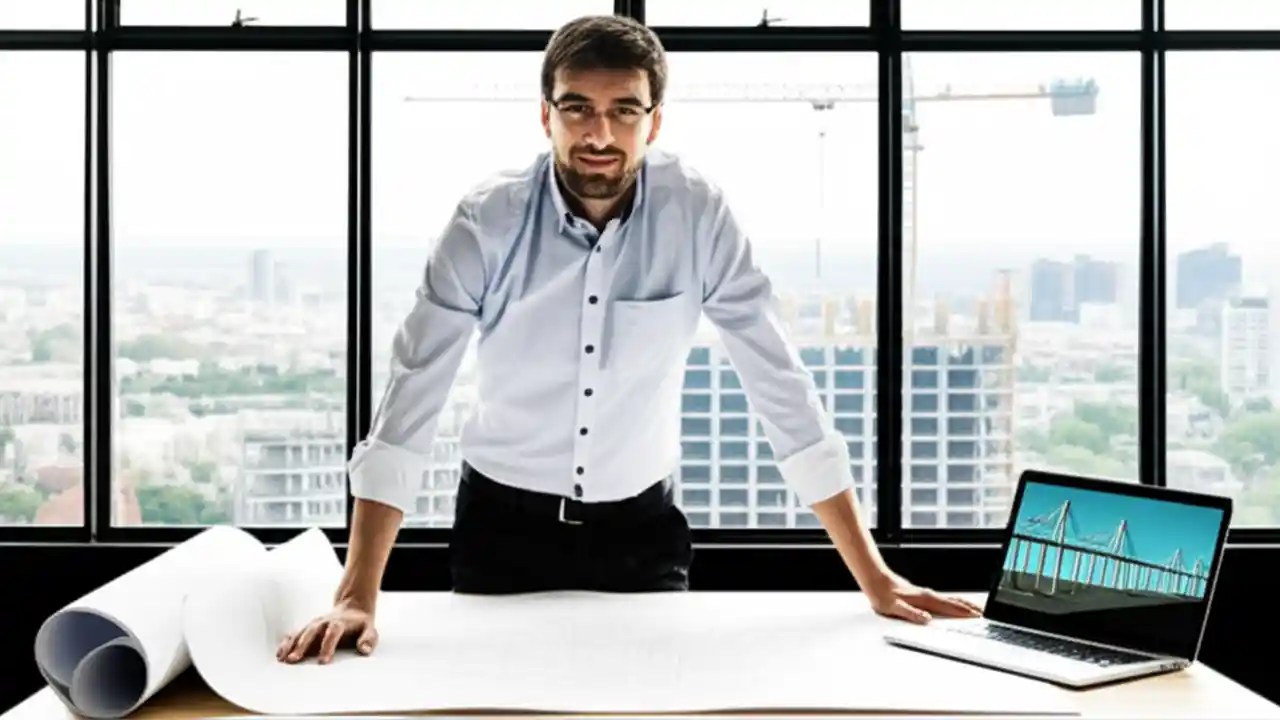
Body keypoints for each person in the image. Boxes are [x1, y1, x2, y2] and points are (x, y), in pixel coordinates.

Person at [277, 13, 981, 665]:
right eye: (577, 108)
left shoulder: (697, 213)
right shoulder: (487, 220)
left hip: (641, 534)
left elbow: (781, 388)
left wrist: (875, 577)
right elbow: (410, 400)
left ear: (655, 121)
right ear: (546, 114)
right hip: (501, 530)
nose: (599, 135)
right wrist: (356, 593)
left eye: (624, 111)